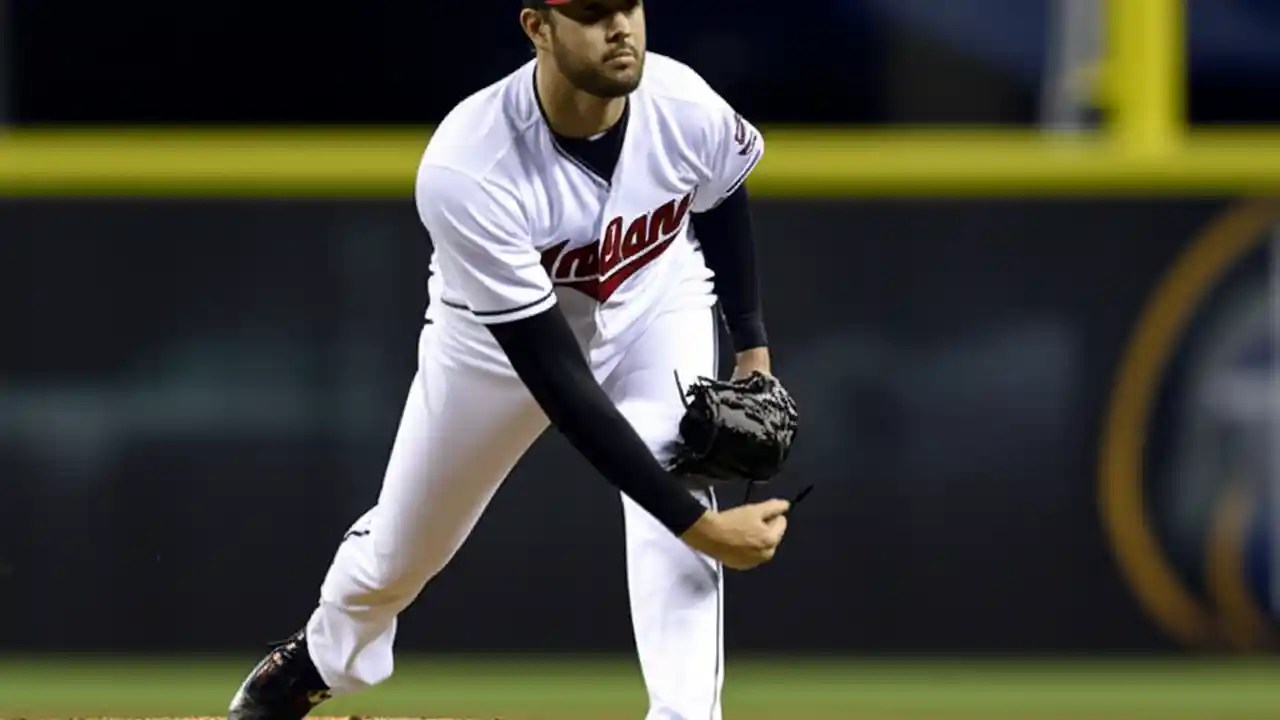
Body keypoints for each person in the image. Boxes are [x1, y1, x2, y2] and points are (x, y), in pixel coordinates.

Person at [227, 1, 791, 718]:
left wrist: (753, 348)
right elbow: (559, 379)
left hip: (657, 295)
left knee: (671, 463)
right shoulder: (470, 163)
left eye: (628, 5)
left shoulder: (681, 100)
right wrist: (701, 526)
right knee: (406, 547)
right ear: (538, 27)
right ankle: (322, 655)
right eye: (591, 13)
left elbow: (723, 193)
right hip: (492, 347)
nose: (619, 27)